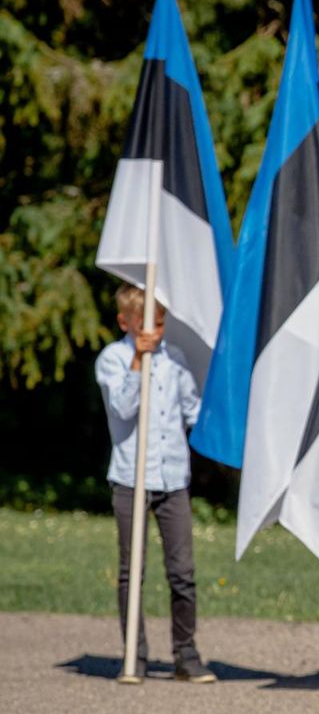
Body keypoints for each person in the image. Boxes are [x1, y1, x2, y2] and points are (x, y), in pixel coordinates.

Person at [94, 284, 215, 683]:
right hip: (131, 478)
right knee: (132, 572)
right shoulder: (112, 359)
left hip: (173, 478)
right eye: (146, 325)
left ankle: (186, 654)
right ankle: (136, 655)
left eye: (160, 324)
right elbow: (122, 408)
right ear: (125, 322)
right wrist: (137, 362)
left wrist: (221, 428)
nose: (155, 333)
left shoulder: (175, 360)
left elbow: (192, 410)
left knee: (182, 572)